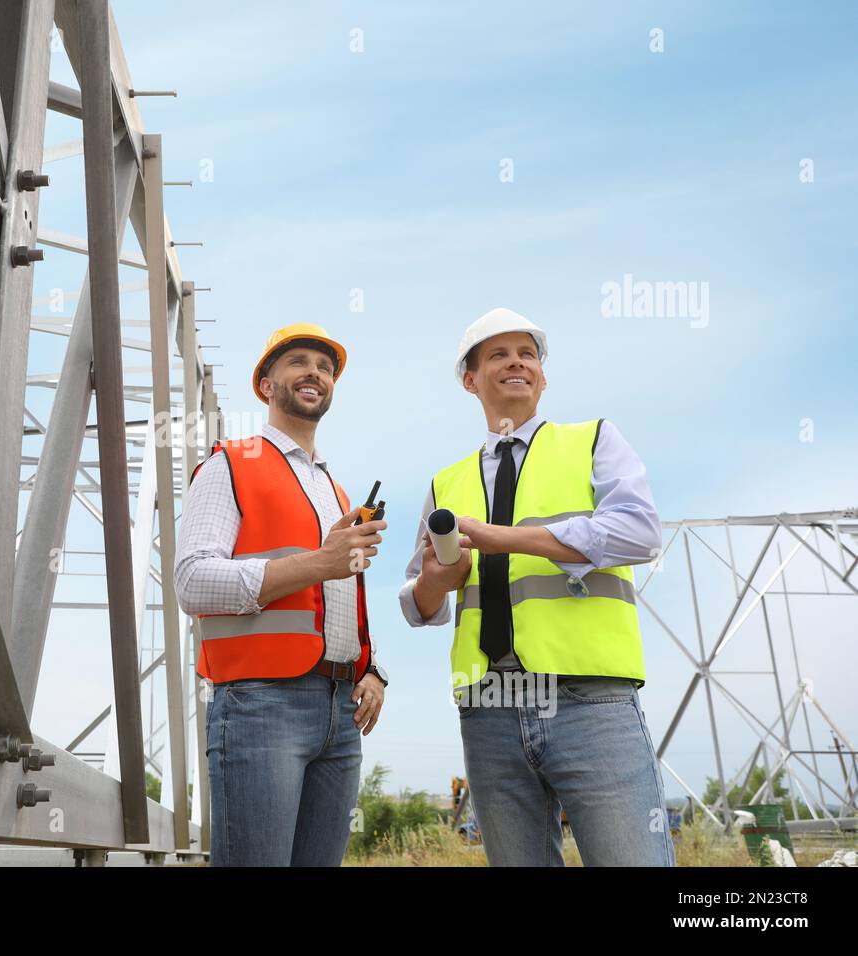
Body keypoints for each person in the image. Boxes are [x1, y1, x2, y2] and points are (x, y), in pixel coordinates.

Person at [400, 307, 674, 866]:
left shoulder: (594, 440)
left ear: (543, 378)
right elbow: (417, 602)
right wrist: (435, 580)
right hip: (489, 706)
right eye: (498, 354)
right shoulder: (444, 484)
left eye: (527, 354)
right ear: (470, 380)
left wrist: (507, 538)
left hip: (589, 697)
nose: (516, 362)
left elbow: (641, 533)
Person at [174, 323, 389, 867]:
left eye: (324, 365)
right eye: (297, 362)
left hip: (341, 711)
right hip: (260, 704)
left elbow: (336, 594)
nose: (314, 371)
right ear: (266, 385)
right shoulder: (230, 463)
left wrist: (371, 667)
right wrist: (319, 561)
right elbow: (192, 580)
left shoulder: (333, 487)